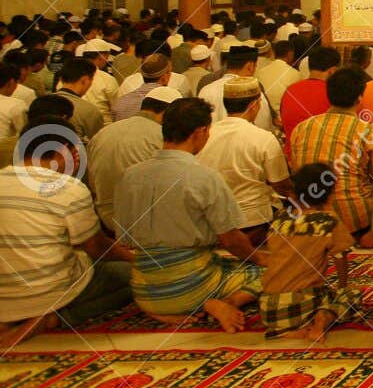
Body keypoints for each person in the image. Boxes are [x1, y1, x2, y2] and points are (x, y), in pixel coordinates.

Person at [115, 98, 263, 332]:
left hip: (145, 291)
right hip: (192, 286)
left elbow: (124, 237)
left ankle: (164, 312)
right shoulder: (202, 176)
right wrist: (260, 258)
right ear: (201, 131)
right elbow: (231, 240)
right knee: (265, 274)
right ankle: (225, 303)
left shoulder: (130, 176)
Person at [0, 123, 134, 346]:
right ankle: (53, 319)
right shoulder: (67, 188)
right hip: (46, 295)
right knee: (133, 278)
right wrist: (135, 259)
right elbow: (96, 249)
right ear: (65, 150)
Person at [257, 163, 359, 342]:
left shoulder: (280, 218)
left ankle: (284, 331)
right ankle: (321, 322)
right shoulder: (327, 221)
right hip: (302, 304)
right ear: (329, 194)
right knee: (350, 296)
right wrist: (342, 287)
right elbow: (340, 257)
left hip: (268, 308)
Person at [289, 67, 373, 247]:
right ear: (359, 97)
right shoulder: (368, 131)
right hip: (356, 221)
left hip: (311, 219)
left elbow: (297, 173)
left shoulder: (301, 128)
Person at [197, 77, 292, 239]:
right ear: (254, 105)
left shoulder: (206, 135)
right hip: (254, 223)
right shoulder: (263, 138)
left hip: (214, 223)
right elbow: (281, 186)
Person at [87, 85, 180, 235]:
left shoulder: (102, 133)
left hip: (105, 220)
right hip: (146, 224)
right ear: (168, 114)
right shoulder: (162, 137)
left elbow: (92, 182)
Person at [279, 45, 340, 144]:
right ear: (332, 71)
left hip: (292, 155)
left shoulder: (290, 90)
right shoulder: (334, 94)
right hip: (323, 155)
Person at [52, 57, 105, 141]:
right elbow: (98, 142)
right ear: (85, 80)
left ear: (61, 79)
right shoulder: (89, 110)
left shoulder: (42, 102)